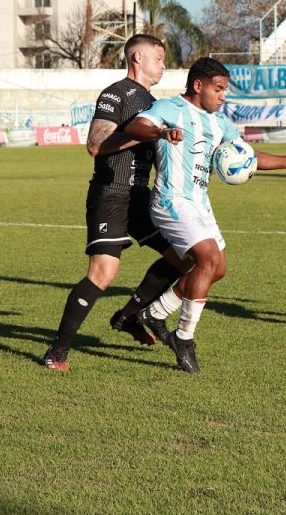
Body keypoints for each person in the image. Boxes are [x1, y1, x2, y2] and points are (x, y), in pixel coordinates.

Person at [123, 57, 286, 373]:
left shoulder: (219, 122)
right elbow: (136, 125)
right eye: (219, 89)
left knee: (217, 269)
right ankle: (184, 338)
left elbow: (248, 157)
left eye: (225, 90)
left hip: (200, 202)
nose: (223, 96)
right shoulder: (172, 110)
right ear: (198, 86)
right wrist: (161, 132)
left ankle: (155, 312)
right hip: (172, 200)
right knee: (207, 260)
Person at [43, 34, 192, 372]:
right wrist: (151, 133)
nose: (164, 65)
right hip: (111, 193)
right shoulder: (116, 93)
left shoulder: (154, 102)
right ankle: (57, 352)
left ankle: (127, 316)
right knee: (103, 273)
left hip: (143, 198)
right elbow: (96, 144)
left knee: (184, 258)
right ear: (137, 58)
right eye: (159, 58)